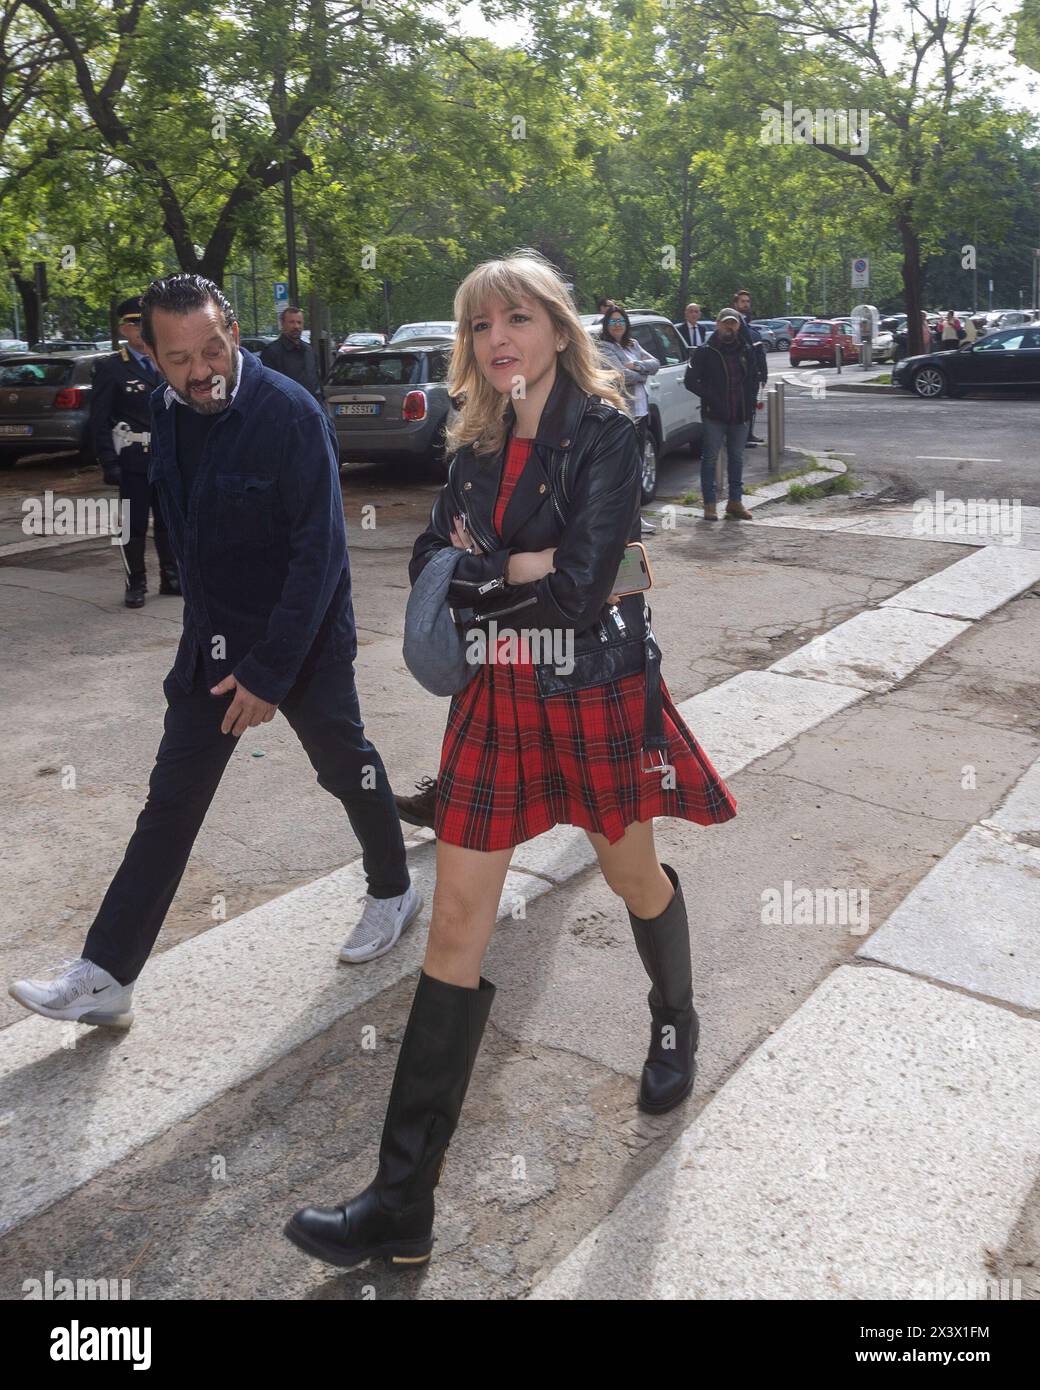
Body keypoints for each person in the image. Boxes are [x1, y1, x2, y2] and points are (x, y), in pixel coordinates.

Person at [284, 250, 737, 1271]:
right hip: (495, 694)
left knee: (631, 874)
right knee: (452, 921)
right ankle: (400, 1204)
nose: (497, 338)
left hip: (592, 692)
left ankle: (674, 1018)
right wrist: (516, 568)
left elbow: (583, 590)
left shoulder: (607, 431)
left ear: (557, 328)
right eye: (480, 323)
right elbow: (428, 567)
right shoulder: (475, 444)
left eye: (517, 317)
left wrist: (500, 570)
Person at [9, 274, 421, 1030]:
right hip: (214, 646)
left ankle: (393, 888)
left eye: (212, 348)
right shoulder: (168, 414)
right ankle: (108, 975)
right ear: (150, 355)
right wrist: (201, 647)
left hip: (303, 644)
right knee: (171, 803)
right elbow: (192, 538)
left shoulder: (290, 415)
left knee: (344, 765)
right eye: (178, 358)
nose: (201, 371)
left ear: (232, 328)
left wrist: (269, 672)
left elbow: (320, 555)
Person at [89, 296, 180, 607]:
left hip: (166, 458)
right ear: (123, 329)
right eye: (134, 323)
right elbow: (100, 421)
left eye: (145, 323)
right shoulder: (111, 368)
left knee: (168, 522)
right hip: (132, 459)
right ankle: (135, 582)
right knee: (133, 525)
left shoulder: (168, 361)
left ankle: (171, 577)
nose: (140, 330)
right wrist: (109, 462)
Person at [684, 308, 755, 521]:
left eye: (733, 324)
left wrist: (749, 403)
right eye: (726, 323)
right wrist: (711, 397)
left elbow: (753, 378)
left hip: (740, 414)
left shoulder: (746, 349)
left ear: (738, 326)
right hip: (714, 415)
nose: (729, 327)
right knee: (710, 459)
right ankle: (709, 504)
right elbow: (690, 381)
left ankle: (735, 502)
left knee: (737, 458)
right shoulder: (705, 351)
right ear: (717, 324)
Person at [259, 306, 325, 400]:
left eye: (299, 322)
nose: (296, 326)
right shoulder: (271, 352)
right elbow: (267, 389)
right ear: (282, 324)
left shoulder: (309, 351)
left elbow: (317, 383)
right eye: (291, 322)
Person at [731, 289, 768, 445]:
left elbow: (757, 351)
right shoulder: (733, 322)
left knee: (751, 405)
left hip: (752, 374)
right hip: (740, 374)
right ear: (735, 304)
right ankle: (740, 437)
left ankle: (748, 433)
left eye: (747, 301)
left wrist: (762, 373)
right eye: (742, 301)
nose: (746, 304)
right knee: (741, 405)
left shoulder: (748, 322)